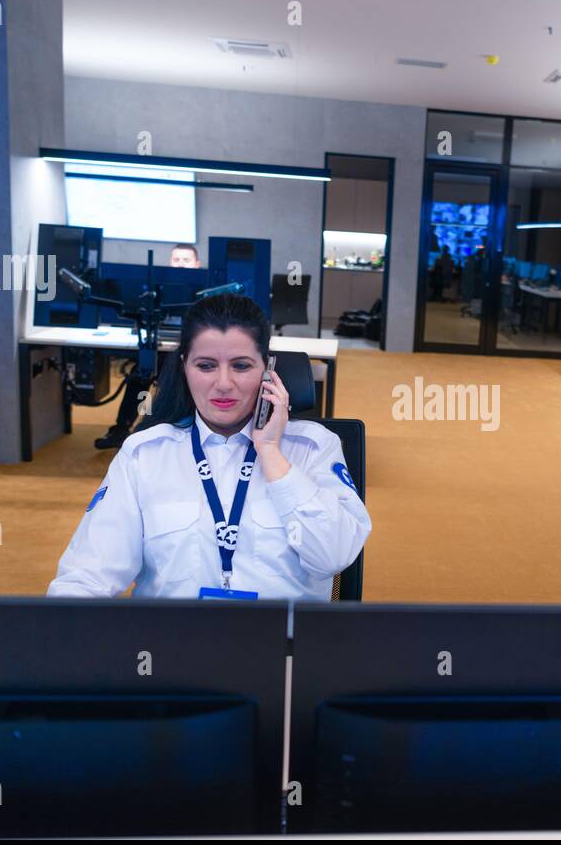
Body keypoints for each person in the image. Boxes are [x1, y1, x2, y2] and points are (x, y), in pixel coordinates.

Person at [49, 291, 372, 600]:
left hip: (282, 649)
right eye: (205, 366)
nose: (223, 384)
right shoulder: (144, 455)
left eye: (241, 366)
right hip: (172, 648)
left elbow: (333, 555)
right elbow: (88, 575)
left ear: (267, 369)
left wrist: (271, 451)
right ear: (184, 367)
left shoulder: (313, 448)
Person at [94, 244, 203, 450]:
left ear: (197, 265)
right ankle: (122, 429)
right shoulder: (157, 287)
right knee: (140, 375)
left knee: (165, 375)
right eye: (176, 260)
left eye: (186, 260)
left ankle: (157, 427)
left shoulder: (204, 290)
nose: (180, 265)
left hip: (190, 350)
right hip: (160, 343)